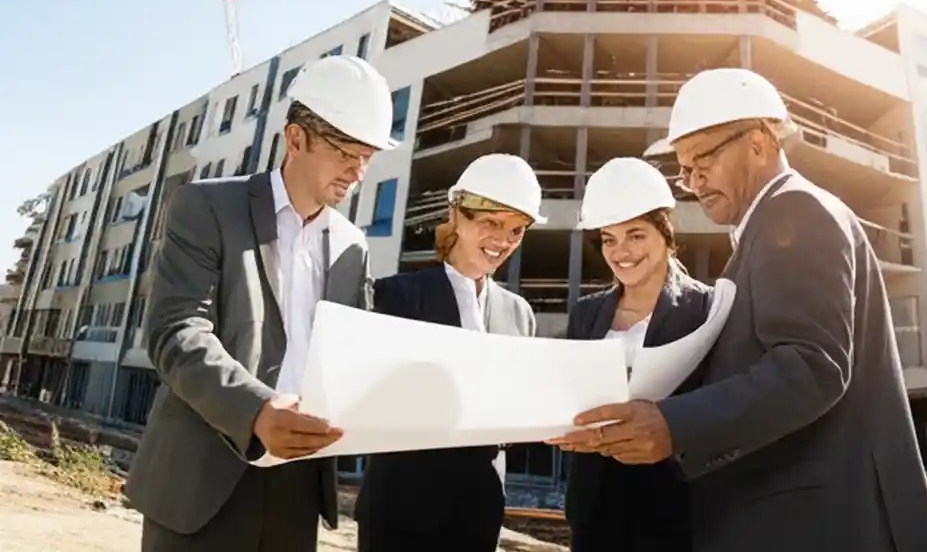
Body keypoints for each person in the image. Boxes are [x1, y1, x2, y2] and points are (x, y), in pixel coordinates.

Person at [555, 68, 927, 552]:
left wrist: (674, 425)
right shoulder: (764, 230)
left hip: (822, 525)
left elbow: (810, 366)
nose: (693, 181)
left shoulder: (795, 212)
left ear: (758, 143)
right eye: (685, 169)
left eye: (704, 161)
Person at [126, 55, 400, 551]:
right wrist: (255, 410)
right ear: (296, 139)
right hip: (201, 482)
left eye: (368, 157)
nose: (358, 173)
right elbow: (177, 331)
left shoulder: (352, 247)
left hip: (297, 490)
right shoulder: (206, 207)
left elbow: (351, 358)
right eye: (346, 153)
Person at [354, 153, 543, 552]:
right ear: (457, 215)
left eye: (516, 229)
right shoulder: (394, 296)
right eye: (490, 222)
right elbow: (367, 401)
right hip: (402, 517)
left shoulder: (519, 314)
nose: (503, 241)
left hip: (479, 517)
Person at [556, 157, 712, 552]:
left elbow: (720, 411)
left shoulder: (704, 309)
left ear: (665, 231)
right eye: (609, 239)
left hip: (673, 515)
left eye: (636, 235)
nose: (620, 252)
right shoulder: (587, 313)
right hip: (594, 513)